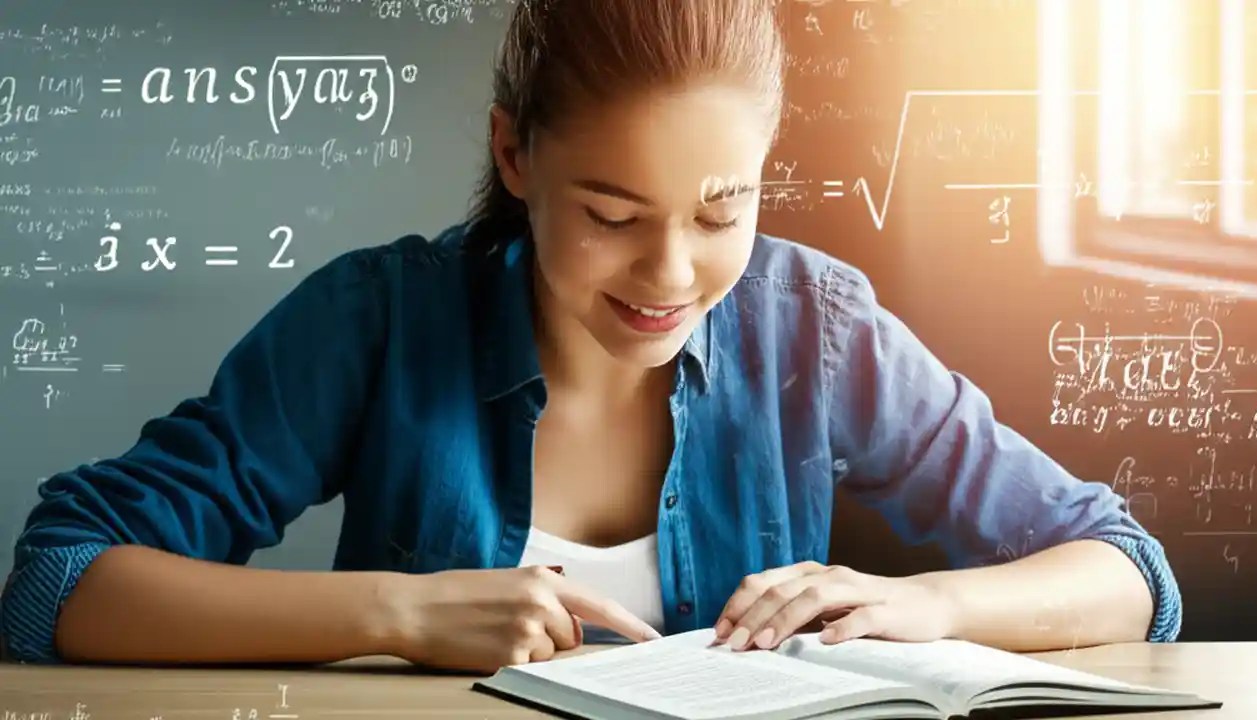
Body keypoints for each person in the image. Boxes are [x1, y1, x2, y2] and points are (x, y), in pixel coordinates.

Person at [0, 0, 1179, 673]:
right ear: (514, 156)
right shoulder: (379, 321)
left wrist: (929, 606)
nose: (669, 277)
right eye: (611, 217)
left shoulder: (814, 326)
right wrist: (398, 614)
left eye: (720, 214)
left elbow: (1126, 574)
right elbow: (58, 582)